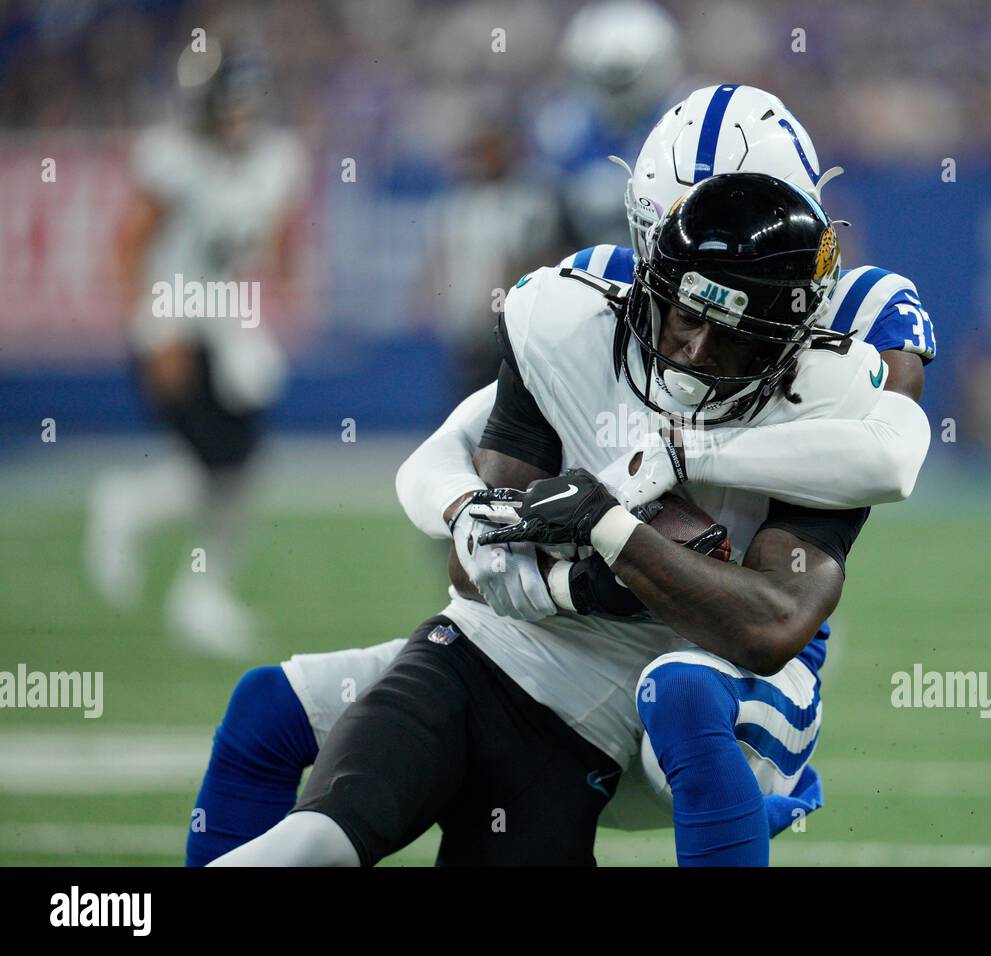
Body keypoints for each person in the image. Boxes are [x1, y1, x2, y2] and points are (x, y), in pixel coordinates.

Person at [186, 86, 933, 866]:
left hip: (725, 655)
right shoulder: (588, 300)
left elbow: (881, 458)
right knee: (275, 707)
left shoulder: (853, 336)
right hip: (572, 636)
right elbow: (460, 467)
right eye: (680, 258)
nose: (695, 325)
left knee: (678, 689)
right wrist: (493, 519)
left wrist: (671, 465)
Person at [83, 47, 307, 656]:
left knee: (242, 469)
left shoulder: (273, 160)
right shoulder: (173, 160)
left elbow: (276, 241)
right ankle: (184, 577)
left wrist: (284, 299)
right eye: (229, 105)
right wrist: (155, 330)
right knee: (225, 467)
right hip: (176, 320)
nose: (242, 117)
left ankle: (183, 571)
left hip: (228, 326)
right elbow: (130, 244)